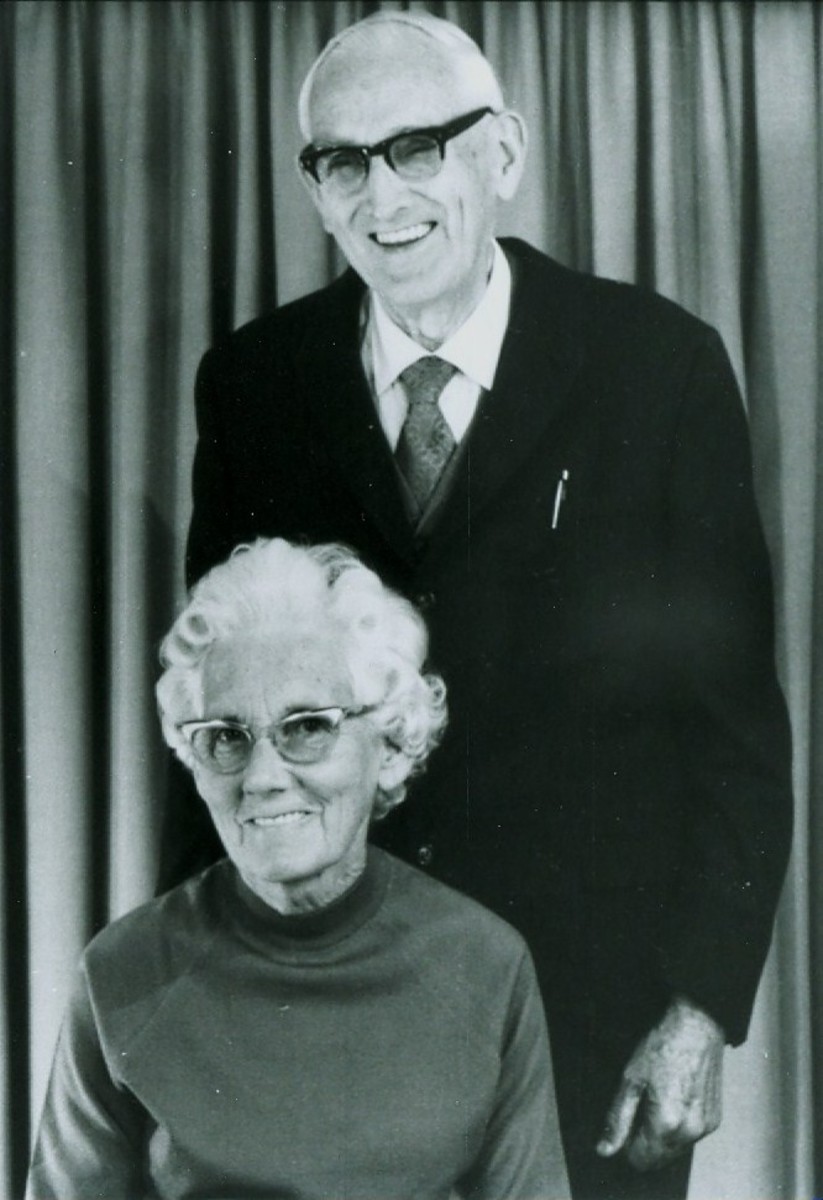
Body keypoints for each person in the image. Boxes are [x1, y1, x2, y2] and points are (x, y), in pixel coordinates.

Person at [171, 12, 793, 1200]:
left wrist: (701, 1011)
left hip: (588, 1026)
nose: (381, 195)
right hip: (327, 1004)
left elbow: (733, 732)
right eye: (341, 161)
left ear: (500, 153)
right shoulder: (255, 387)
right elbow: (216, 725)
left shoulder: (656, 370)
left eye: (419, 148)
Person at [27, 538, 568, 1200]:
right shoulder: (122, 973)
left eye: (307, 727)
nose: (261, 778)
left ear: (392, 747)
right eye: (225, 737)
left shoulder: (486, 968)